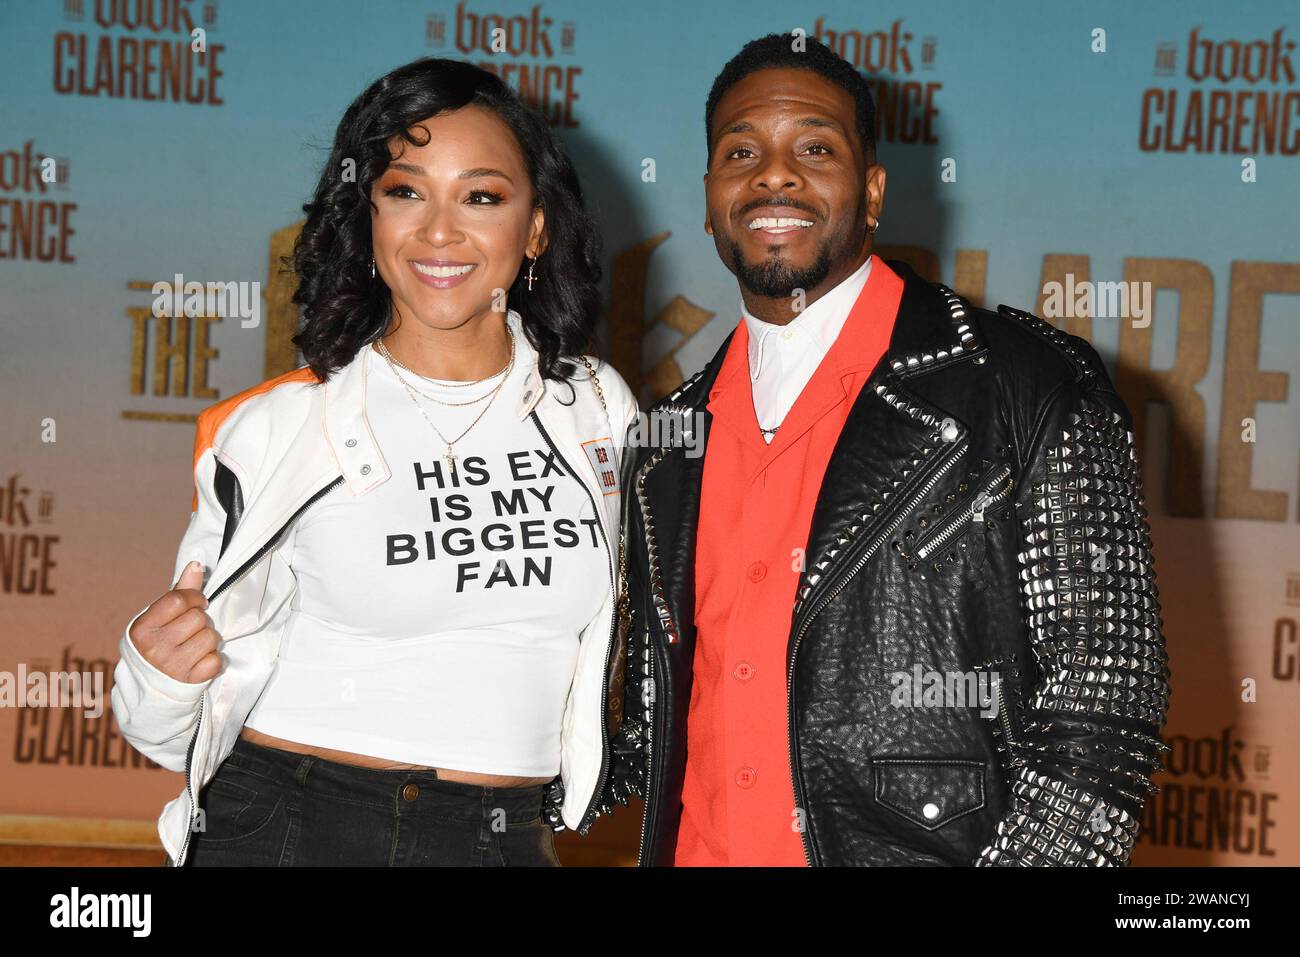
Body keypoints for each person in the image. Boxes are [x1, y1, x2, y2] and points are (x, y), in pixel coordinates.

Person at [600, 33, 1171, 866]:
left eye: (815, 148)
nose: (774, 176)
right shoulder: (667, 442)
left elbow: (1107, 702)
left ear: (871, 192)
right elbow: (641, 728)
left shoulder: (1022, 385)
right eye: (741, 152)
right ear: (710, 198)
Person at [110, 57, 639, 867]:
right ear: (369, 218)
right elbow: (165, 729)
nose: (440, 231)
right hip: (291, 826)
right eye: (405, 192)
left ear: (535, 227)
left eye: (482, 196)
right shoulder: (280, 427)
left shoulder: (597, 409)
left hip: (508, 834)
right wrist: (160, 670)